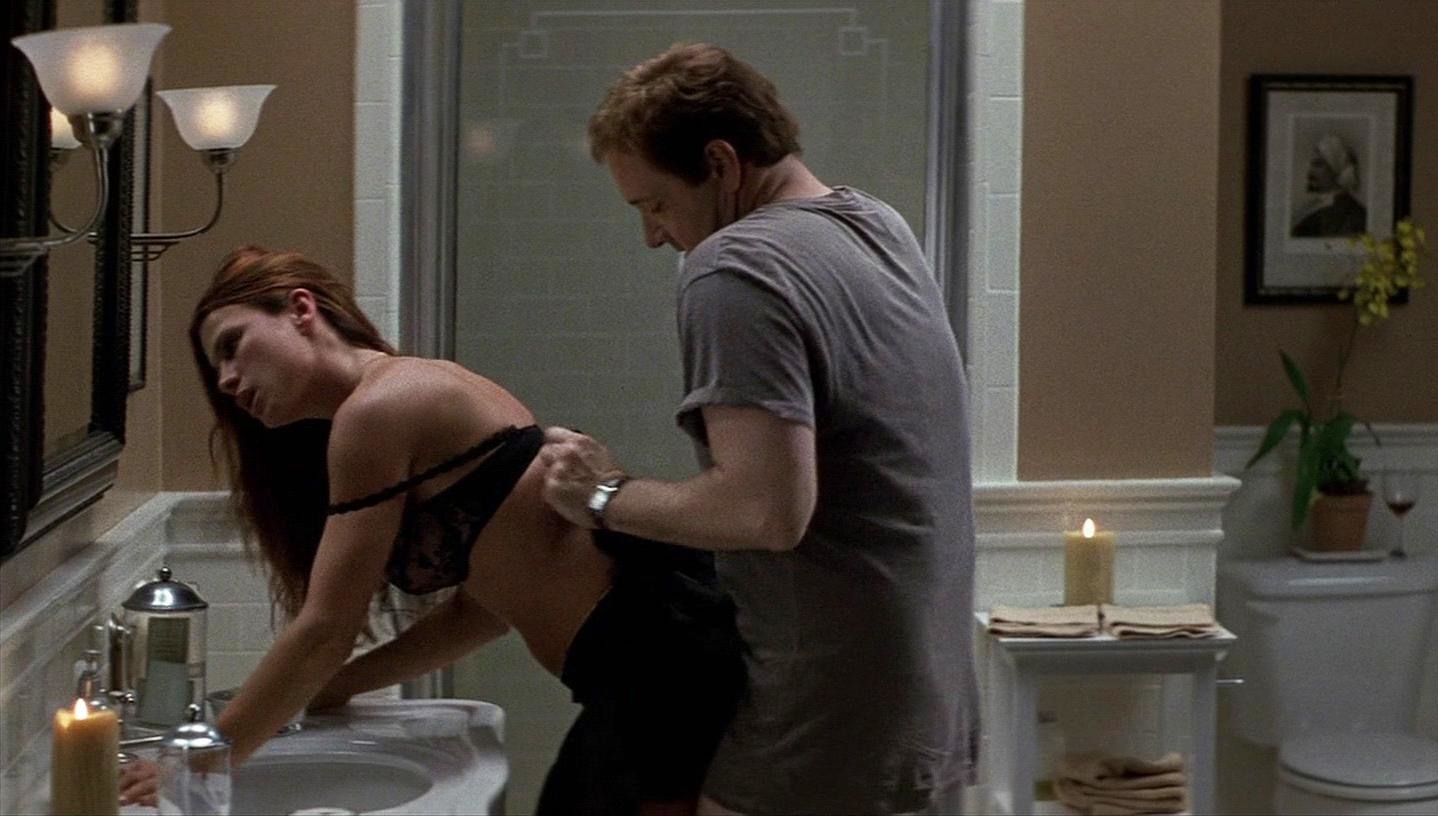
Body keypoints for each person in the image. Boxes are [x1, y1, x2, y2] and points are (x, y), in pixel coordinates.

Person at [121, 245, 743, 816]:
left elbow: (326, 627)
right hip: (654, 662)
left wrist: (201, 757)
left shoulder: (379, 409)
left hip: (663, 660)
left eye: (232, 346)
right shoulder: (395, 400)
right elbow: (486, 609)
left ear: (301, 310)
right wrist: (340, 685)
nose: (226, 381)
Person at [536, 43, 978, 815]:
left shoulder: (732, 266)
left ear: (720, 163)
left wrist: (601, 495)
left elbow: (764, 511)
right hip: (923, 695)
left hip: (823, 712)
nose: (654, 236)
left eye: (654, 205)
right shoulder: (877, 226)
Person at [1291, 133, 1368, 238]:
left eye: (1318, 164)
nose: (1310, 172)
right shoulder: (1311, 208)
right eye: (1311, 165)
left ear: (1335, 170)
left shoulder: (1354, 214)